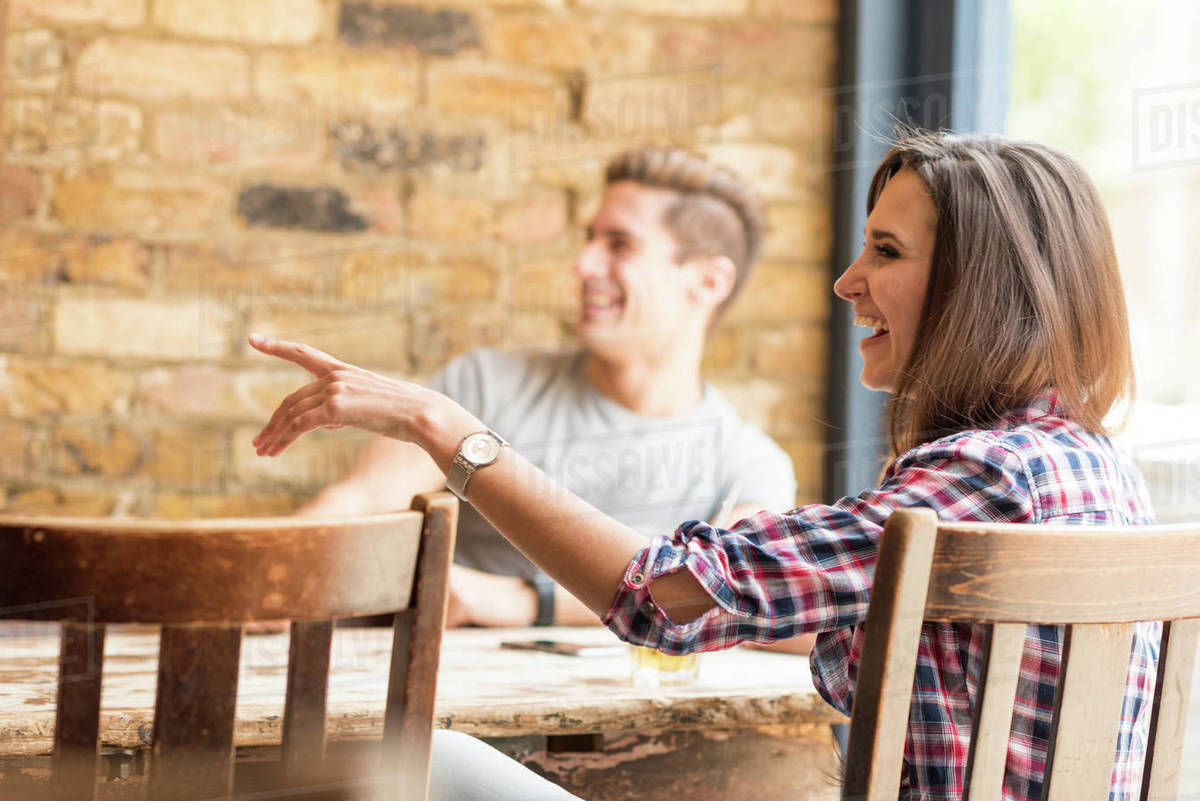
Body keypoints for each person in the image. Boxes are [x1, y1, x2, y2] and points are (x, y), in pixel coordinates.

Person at [248, 131, 1156, 801]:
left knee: (407, 767)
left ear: (979, 286)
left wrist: (442, 428)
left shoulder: (974, 482)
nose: (846, 281)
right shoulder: (1107, 477)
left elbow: (660, 596)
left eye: (885, 251)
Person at [294, 145, 797, 629]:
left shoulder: (749, 465)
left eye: (619, 244)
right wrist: (265, 574)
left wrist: (519, 600)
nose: (583, 265)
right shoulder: (482, 387)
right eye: (589, 239)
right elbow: (354, 508)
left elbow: (719, 599)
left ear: (708, 282)